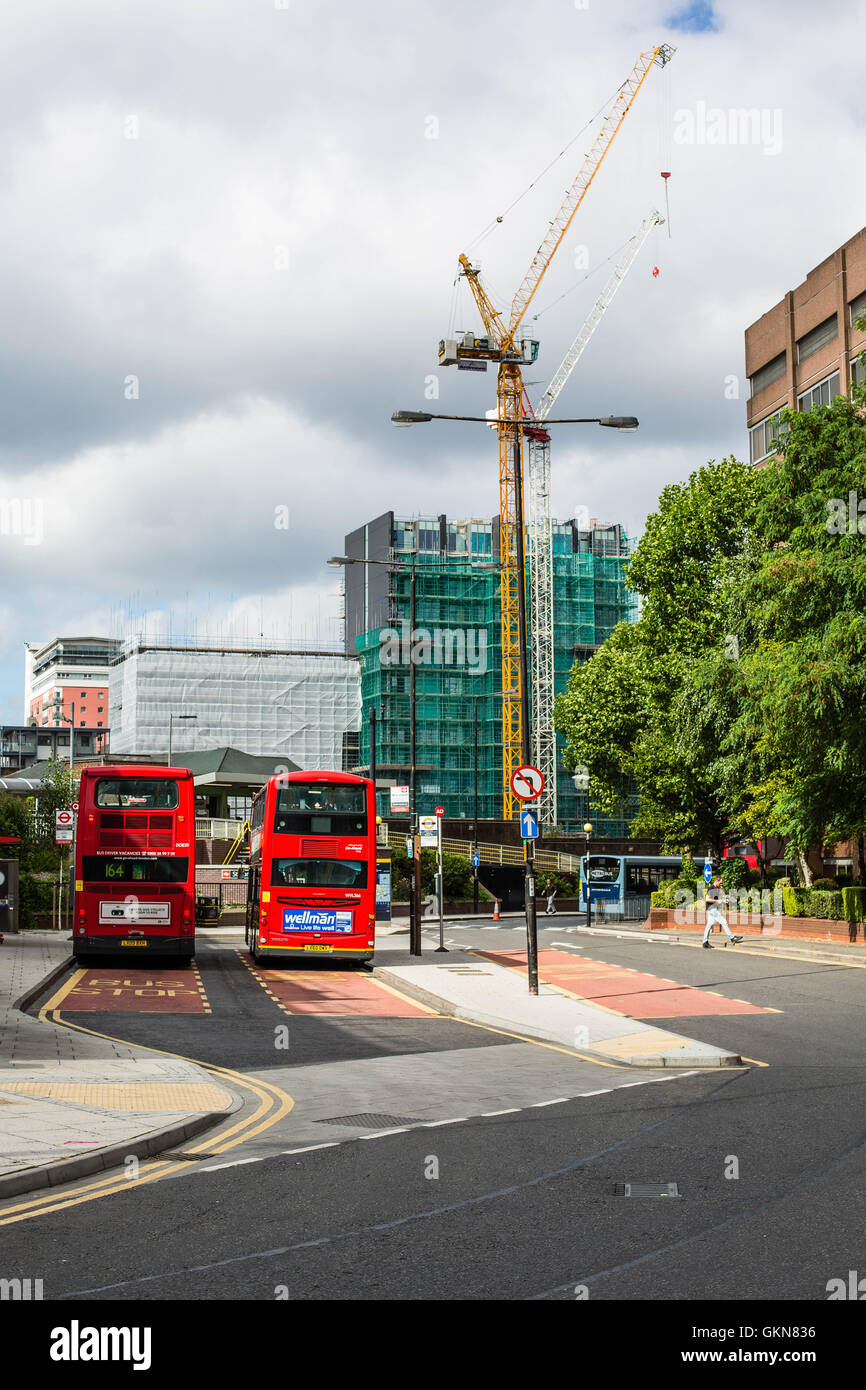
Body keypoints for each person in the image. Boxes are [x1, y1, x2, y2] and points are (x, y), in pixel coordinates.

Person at [702, 877, 743, 948]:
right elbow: (707, 899)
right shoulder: (711, 888)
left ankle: (705, 942)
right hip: (712, 909)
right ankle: (732, 938)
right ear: (716, 881)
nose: (721, 884)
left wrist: (723, 901)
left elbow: (715, 899)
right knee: (723, 921)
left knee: (709, 925)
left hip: (711, 909)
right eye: (720, 883)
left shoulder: (716, 889)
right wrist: (717, 901)